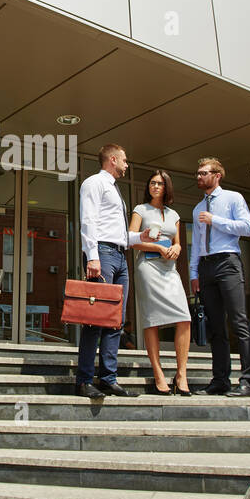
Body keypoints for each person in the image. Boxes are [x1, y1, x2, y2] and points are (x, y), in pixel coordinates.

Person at [76, 142, 146, 398]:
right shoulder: (94, 183)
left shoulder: (115, 190)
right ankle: (84, 380)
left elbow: (116, 232)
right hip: (103, 256)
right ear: (113, 160)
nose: (127, 165)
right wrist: (91, 256)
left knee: (115, 321)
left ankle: (108, 378)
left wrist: (140, 237)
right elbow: (89, 220)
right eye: (125, 160)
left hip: (119, 256)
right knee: (95, 319)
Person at [189, 157, 250, 396]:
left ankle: (248, 381)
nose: (199, 177)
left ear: (217, 175)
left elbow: (247, 228)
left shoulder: (233, 198)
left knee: (239, 322)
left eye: (203, 173)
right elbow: (196, 244)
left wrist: (215, 220)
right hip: (206, 268)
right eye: (197, 173)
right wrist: (193, 273)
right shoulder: (198, 208)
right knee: (216, 327)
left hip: (228, 261)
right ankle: (220, 380)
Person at [129, 170, 192, 394]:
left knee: (184, 318)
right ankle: (158, 374)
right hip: (147, 266)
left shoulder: (174, 215)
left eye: (160, 184)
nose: (155, 187)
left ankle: (181, 374)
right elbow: (131, 240)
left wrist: (176, 247)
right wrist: (156, 247)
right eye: (152, 183)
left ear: (167, 187)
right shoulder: (140, 210)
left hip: (169, 269)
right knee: (152, 320)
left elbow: (178, 243)